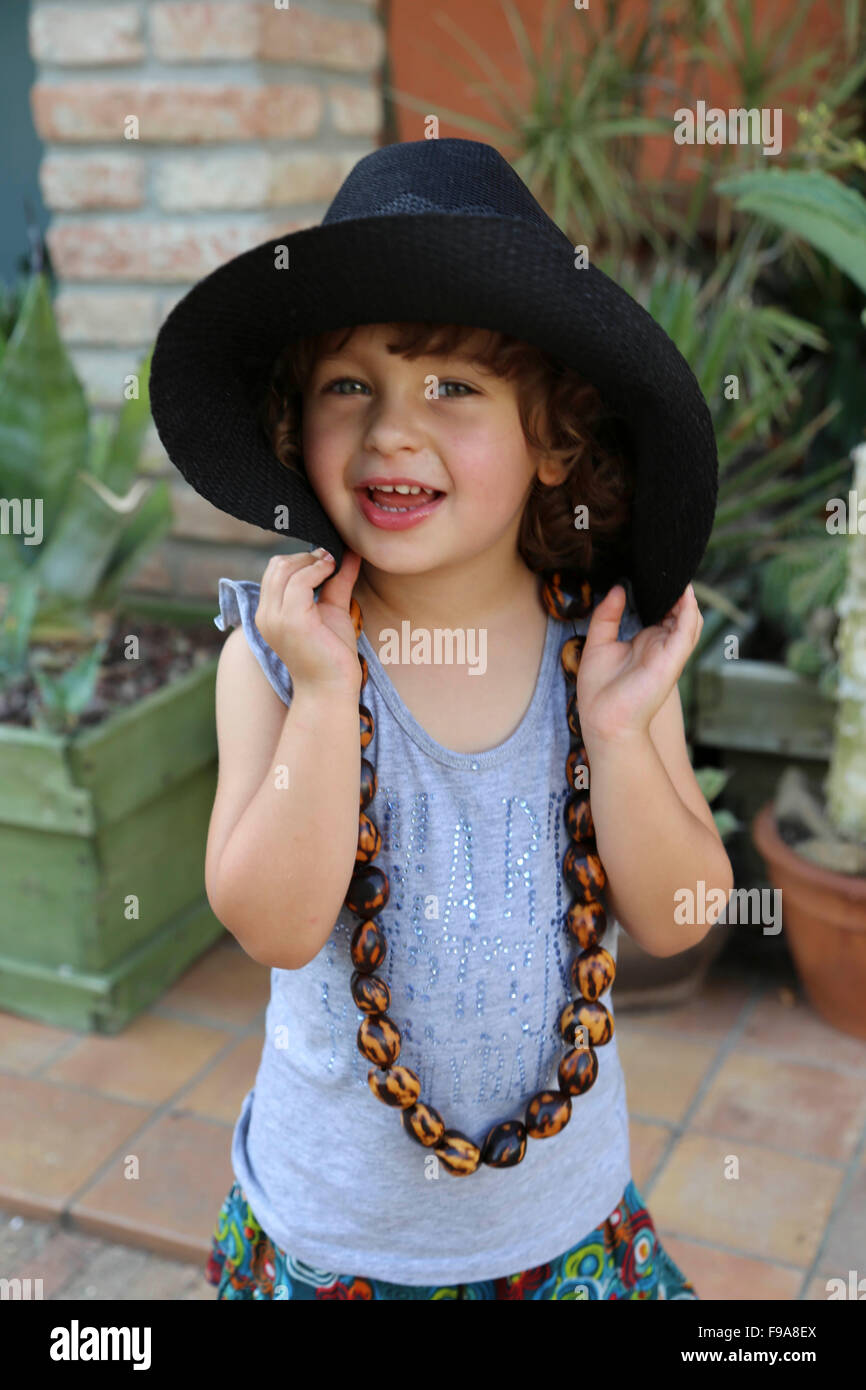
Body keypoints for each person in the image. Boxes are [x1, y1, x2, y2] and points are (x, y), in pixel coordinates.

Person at [149, 138, 733, 1300]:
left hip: (557, 1229)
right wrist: (326, 695)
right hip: (335, 1242)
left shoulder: (598, 659)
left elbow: (679, 917)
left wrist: (616, 738)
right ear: (292, 427)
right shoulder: (271, 657)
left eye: (451, 388)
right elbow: (270, 923)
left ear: (552, 438)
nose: (390, 431)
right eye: (346, 385)